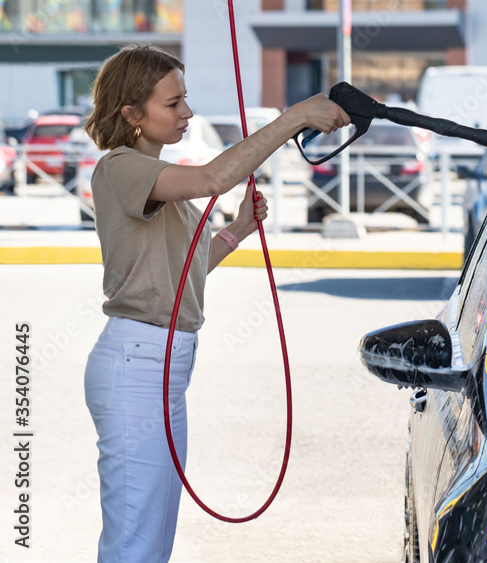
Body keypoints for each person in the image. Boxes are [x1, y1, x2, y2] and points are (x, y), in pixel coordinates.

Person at [81, 44, 349, 562]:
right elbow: (212, 179)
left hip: (163, 366)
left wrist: (240, 230)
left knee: (152, 536)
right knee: (134, 540)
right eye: (173, 103)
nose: (188, 113)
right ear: (131, 114)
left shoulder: (152, 173)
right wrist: (294, 117)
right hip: (136, 363)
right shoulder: (121, 168)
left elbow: (187, 269)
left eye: (186, 99)